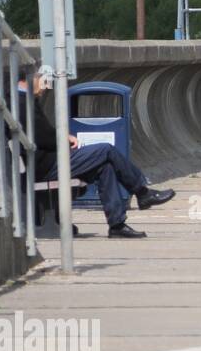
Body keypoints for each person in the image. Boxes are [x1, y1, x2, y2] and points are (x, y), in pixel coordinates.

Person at [18, 72, 175, 238]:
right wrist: (64, 138)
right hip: (45, 165)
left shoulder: (22, 100)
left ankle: (117, 225)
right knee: (105, 149)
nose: (44, 86)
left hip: (47, 160)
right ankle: (142, 193)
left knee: (104, 167)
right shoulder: (20, 103)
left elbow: (40, 134)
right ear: (27, 79)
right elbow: (42, 137)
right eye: (41, 80)